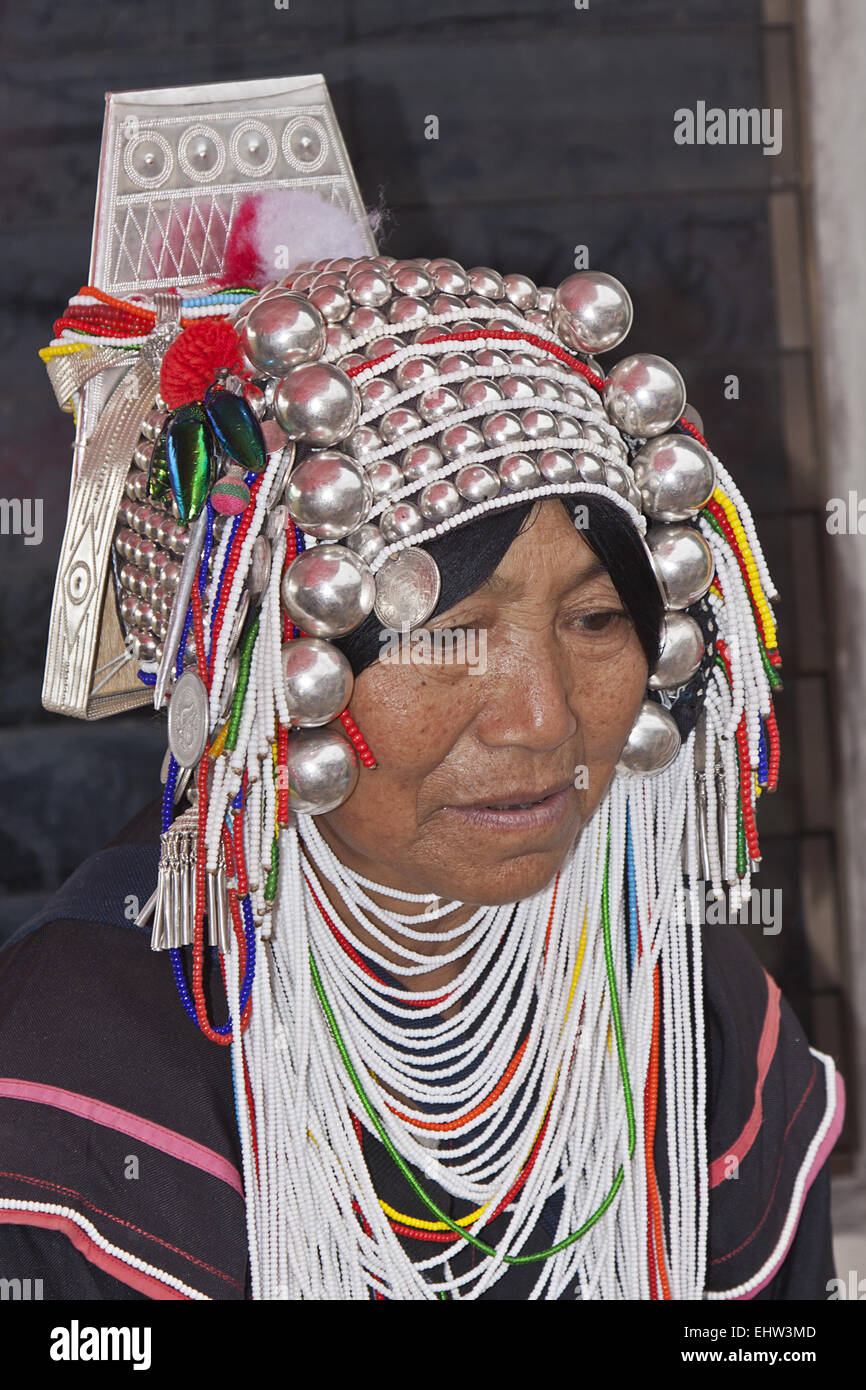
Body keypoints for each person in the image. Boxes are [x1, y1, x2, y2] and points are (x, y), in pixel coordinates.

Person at [0, 244, 844, 1300]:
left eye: (595, 619)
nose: (541, 721)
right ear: (260, 675)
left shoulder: (692, 1022)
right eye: (445, 637)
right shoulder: (72, 1083)